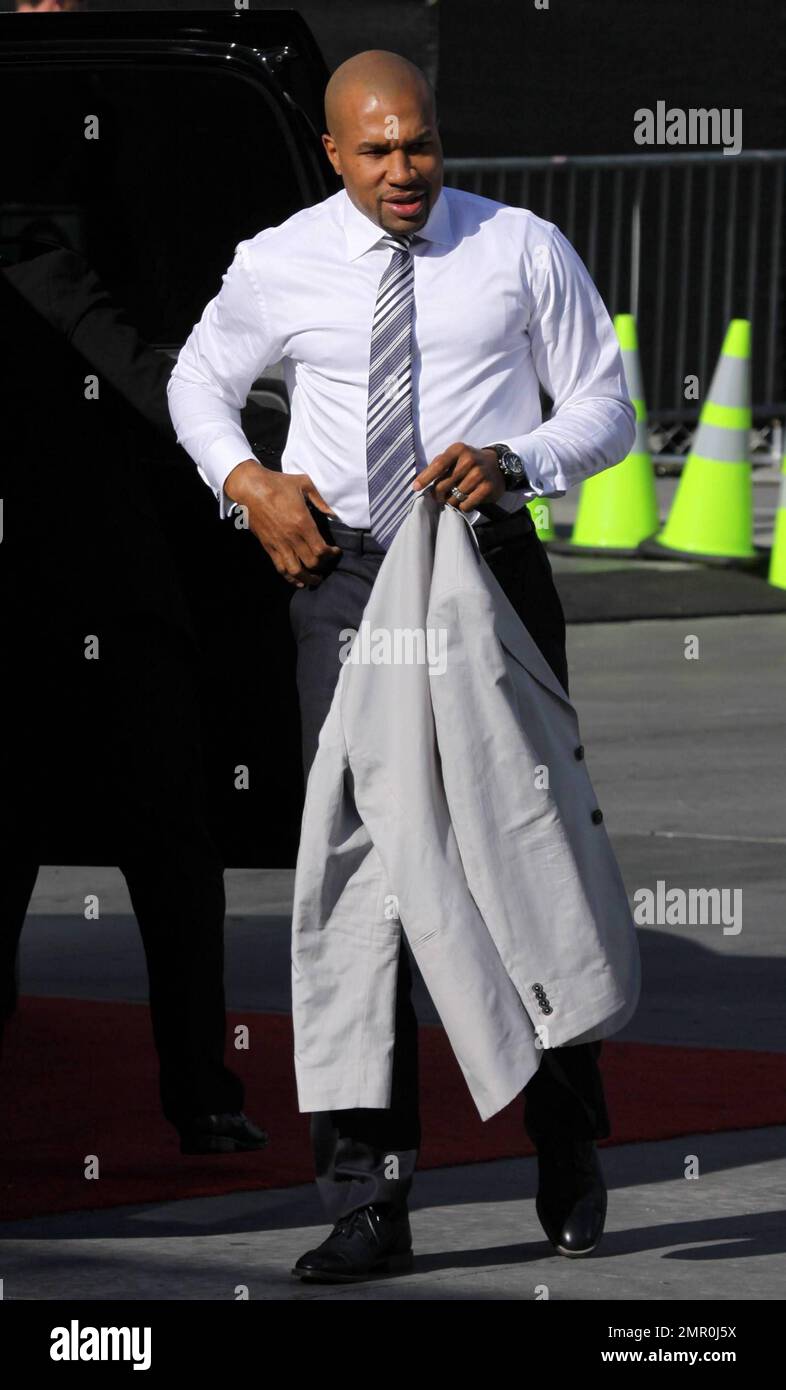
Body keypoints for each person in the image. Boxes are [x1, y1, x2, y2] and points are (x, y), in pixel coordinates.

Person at [167, 49, 636, 1279]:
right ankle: (370, 1197)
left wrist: (518, 459)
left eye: (418, 143)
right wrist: (249, 482)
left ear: (440, 137)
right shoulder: (279, 260)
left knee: (523, 851)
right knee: (359, 882)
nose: (402, 169)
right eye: (375, 150)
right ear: (333, 153)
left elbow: (606, 407)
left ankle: (564, 1125)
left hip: (487, 571)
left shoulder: (519, 247)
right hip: (346, 583)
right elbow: (197, 381)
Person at [0, 241, 269, 1155]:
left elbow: (161, 395)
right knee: (169, 860)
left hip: (103, 615)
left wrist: (248, 458)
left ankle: (202, 1091)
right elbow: (159, 394)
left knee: (163, 857)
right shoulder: (49, 277)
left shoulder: (44, 276)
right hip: (108, 613)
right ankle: (201, 1095)